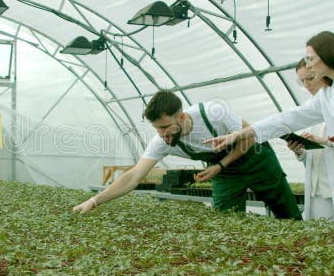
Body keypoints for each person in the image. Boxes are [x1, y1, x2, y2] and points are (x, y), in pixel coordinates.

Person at [205, 31, 334, 225]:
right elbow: (288, 118)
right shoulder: (327, 95)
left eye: (311, 58)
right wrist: (240, 134)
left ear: (329, 55)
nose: (309, 65)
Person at [73, 90, 302, 219]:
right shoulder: (163, 141)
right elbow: (134, 176)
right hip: (226, 173)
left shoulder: (212, 113)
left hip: (256, 159)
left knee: (287, 214)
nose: (161, 134)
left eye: (165, 127)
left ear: (181, 117)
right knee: (226, 223)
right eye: (156, 129)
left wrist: (220, 165)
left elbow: (250, 137)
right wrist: (94, 201)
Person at [288, 58, 334, 220]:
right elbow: (311, 155)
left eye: (309, 78)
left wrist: (320, 140)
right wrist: (300, 151)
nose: (307, 85)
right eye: (302, 81)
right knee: (321, 236)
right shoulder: (309, 107)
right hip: (316, 187)